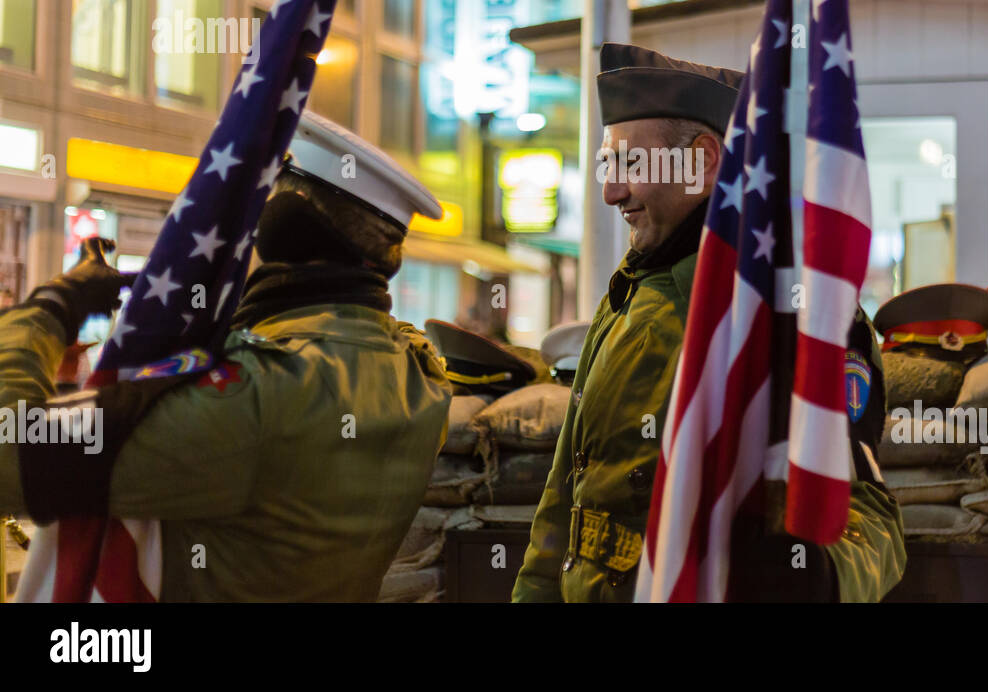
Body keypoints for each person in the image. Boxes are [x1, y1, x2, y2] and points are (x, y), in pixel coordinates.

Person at [0, 112, 453, 601]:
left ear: (282, 231)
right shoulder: (414, 366)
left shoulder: (262, 395)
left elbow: (10, 449)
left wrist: (48, 310)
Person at [512, 43, 907, 603]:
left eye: (629, 164)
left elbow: (867, 514)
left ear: (701, 161)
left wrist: (813, 573)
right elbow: (563, 509)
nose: (610, 191)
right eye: (608, 165)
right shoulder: (626, 296)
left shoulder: (794, 312)